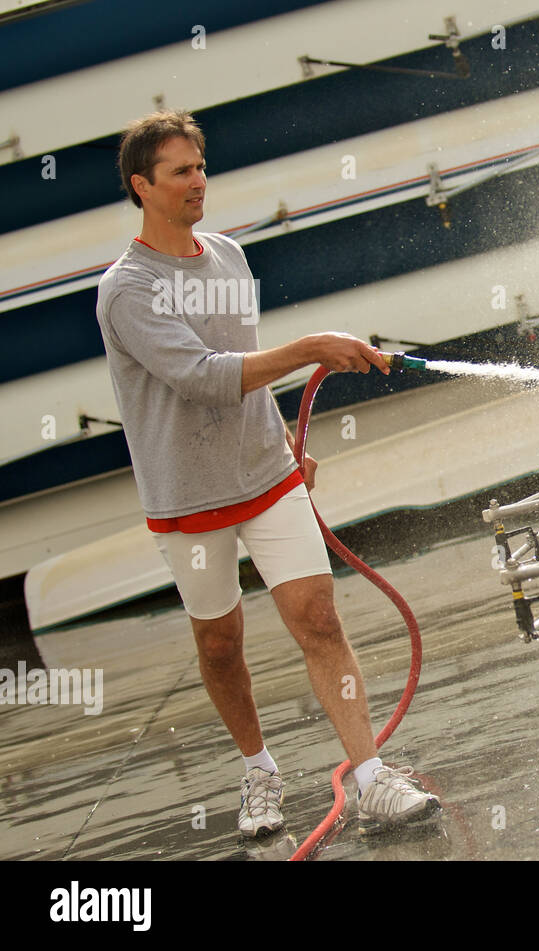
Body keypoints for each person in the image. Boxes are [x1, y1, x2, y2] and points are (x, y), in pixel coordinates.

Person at [95, 110, 438, 839]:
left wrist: (284, 437)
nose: (198, 182)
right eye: (180, 172)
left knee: (318, 617)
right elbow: (202, 376)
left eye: (200, 166)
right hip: (187, 498)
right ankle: (260, 767)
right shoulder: (127, 290)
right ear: (141, 186)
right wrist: (314, 346)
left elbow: (242, 364)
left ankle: (371, 775)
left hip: (265, 475)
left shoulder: (227, 257)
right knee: (220, 643)